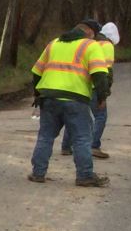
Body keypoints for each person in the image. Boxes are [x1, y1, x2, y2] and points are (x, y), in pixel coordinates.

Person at [29, 18, 111, 187]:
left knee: (45, 136)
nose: (94, 38)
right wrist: (102, 98)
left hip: (49, 98)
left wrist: (37, 93)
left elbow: (37, 71)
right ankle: (84, 176)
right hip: (76, 99)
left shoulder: (54, 43)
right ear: (89, 32)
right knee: (81, 138)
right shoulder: (90, 45)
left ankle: (38, 173)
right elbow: (100, 75)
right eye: (94, 35)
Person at [57, 22, 118, 161]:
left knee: (74, 116)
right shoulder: (107, 45)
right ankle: (94, 145)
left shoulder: (88, 43)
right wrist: (104, 93)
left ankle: (66, 146)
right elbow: (105, 71)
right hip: (95, 86)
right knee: (101, 116)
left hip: (80, 85)